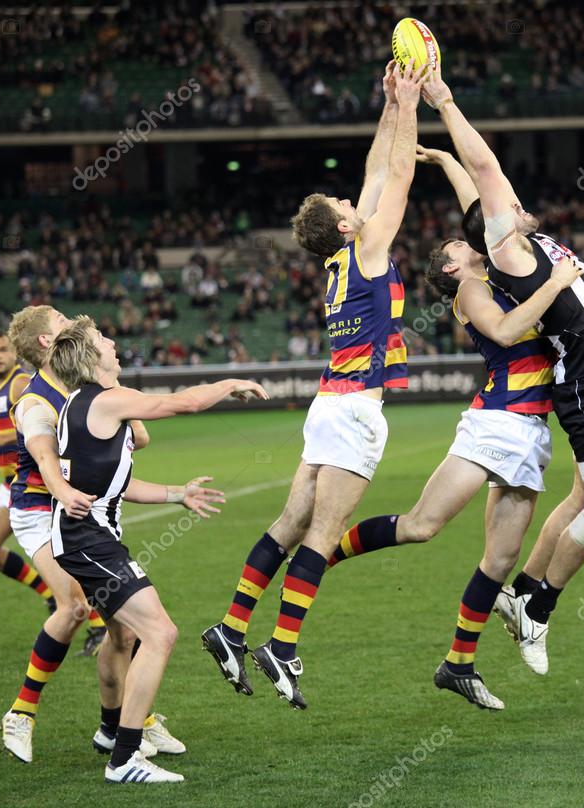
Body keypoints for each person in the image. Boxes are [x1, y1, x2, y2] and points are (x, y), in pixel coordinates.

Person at [201, 61, 426, 709]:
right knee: (323, 533)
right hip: (353, 410)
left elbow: (375, 172)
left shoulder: (342, 257)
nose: (354, 202)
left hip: (329, 404)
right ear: (346, 226)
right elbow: (397, 177)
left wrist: (389, 104)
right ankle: (282, 645)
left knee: (291, 521)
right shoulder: (367, 249)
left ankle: (231, 627)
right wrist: (413, 105)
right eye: (346, 206)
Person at [324, 144, 583, 709]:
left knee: (501, 561)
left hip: (530, 432)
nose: (469, 240)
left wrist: (445, 161)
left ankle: (458, 664)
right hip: (495, 425)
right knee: (421, 526)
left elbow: (480, 206)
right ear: (450, 268)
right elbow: (508, 332)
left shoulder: (493, 270)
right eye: (458, 246)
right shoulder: (470, 290)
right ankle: (324, 553)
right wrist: (557, 283)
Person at [423, 66, 584, 675]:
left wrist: (445, 162)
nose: (516, 204)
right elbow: (488, 171)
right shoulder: (509, 252)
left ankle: (520, 594)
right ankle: (537, 609)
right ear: (496, 230)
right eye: (507, 207)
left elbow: (476, 191)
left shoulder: (522, 242)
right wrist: (445, 102)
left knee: (582, 498)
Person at [47, 317, 268, 784]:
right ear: (90, 358)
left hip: (87, 539)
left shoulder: (82, 404)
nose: (111, 342)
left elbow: (114, 484)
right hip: (88, 541)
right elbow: (183, 403)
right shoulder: (105, 399)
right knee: (161, 633)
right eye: (101, 339)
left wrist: (176, 494)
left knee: (123, 636)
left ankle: (111, 732)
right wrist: (230, 381)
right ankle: (125, 759)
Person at [0, 306, 183, 765]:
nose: (79, 325)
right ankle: (21, 713)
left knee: (123, 628)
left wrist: (115, 393)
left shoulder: (84, 383)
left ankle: (117, 728)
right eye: (63, 321)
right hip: (42, 509)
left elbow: (141, 439)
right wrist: (63, 489)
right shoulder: (35, 400)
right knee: (76, 606)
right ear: (47, 342)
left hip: (83, 511)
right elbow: (45, 458)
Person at [0, 328, 52, 607]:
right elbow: (8, 435)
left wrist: (0, 440)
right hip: (11, 484)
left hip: (36, 484)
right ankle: (50, 595)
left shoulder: (20, 383)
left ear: (15, 352)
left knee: (64, 560)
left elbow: (44, 429)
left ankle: (97, 621)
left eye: (3, 349)